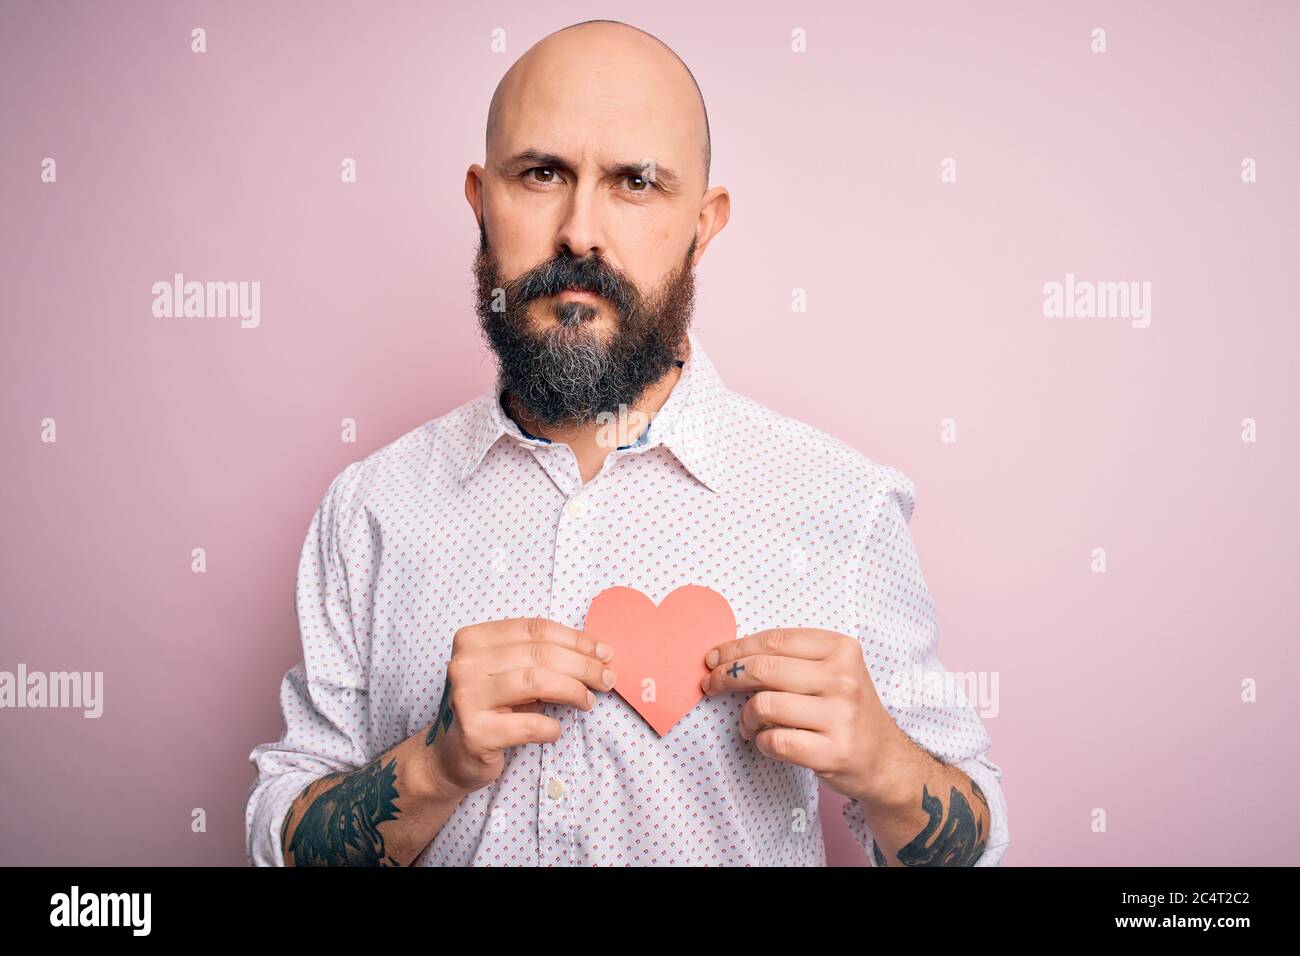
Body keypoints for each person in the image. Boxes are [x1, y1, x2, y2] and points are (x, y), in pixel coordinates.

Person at [244, 18, 1009, 867]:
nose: (580, 232)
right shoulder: (371, 508)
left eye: (635, 183)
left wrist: (885, 766)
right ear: (480, 199)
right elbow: (284, 837)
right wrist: (433, 766)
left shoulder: (839, 505)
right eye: (541, 174)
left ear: (703, 222)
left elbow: (973, 849)